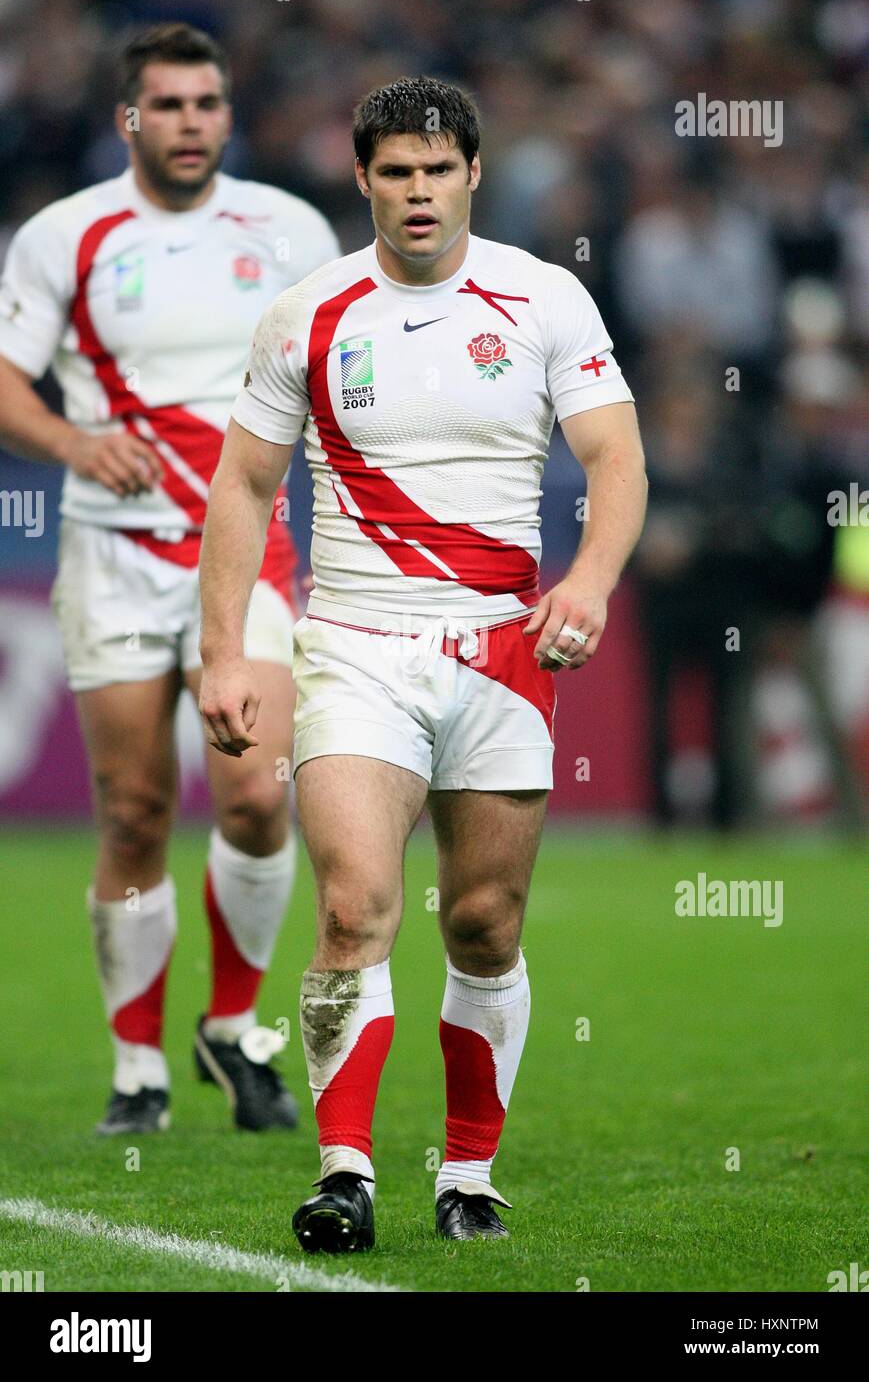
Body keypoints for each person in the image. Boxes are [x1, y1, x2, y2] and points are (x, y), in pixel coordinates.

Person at [199, 76, 646, 1248]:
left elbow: (615, 462)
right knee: (355, 906)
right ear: (361, 180)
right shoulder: (308, 311)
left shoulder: (544, 299)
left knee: (485, 924)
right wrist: (226, 652)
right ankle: (343, 1170)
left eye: (436, 171)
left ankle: (467, 1172)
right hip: (353, 644)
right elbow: (244, 484)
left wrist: (588, 580)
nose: (416, 192)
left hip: (503, 649)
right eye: (394, 172)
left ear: (473, 175)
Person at [0, 23, 340, 1135]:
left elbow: (339, 372)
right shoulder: (66, 234)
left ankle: (231, 1029)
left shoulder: (288, 229)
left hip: (248, 556)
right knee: (136, 810)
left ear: (227, 114)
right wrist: (69, 443)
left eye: (209, 103)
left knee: (253, 798)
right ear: (128, 118)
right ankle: (137, 1064)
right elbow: (7, 377)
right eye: (170, 104)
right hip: (112, 549)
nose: (192, 122)